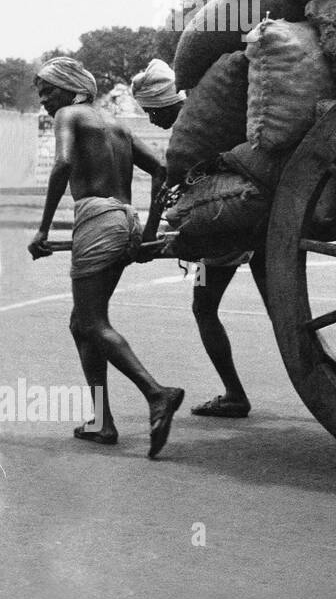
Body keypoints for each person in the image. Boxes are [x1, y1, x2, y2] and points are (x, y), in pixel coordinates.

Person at [27, 57, 184, 456]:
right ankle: (102, 423)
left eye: (48, 89)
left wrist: (43, 229)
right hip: (124, 220)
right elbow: (162, 170)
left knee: (92, 322)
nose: (44, 99)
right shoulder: (117, 124)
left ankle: (157, 393)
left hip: (98, 220)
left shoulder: (70, 114)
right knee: (82, 323)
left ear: (70, 88)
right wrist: (146, 233)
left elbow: (62, 164)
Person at [133, 59, 264, 417]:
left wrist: (148, 235)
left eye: (150, 111)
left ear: (162, 103)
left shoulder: (191, 128)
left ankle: (235, 394)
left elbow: (165, 178)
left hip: (226, 234)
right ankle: (334, 370)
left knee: (203, 307)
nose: (151, 120)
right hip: (254, 225)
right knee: (281, 308)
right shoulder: (211, 113)